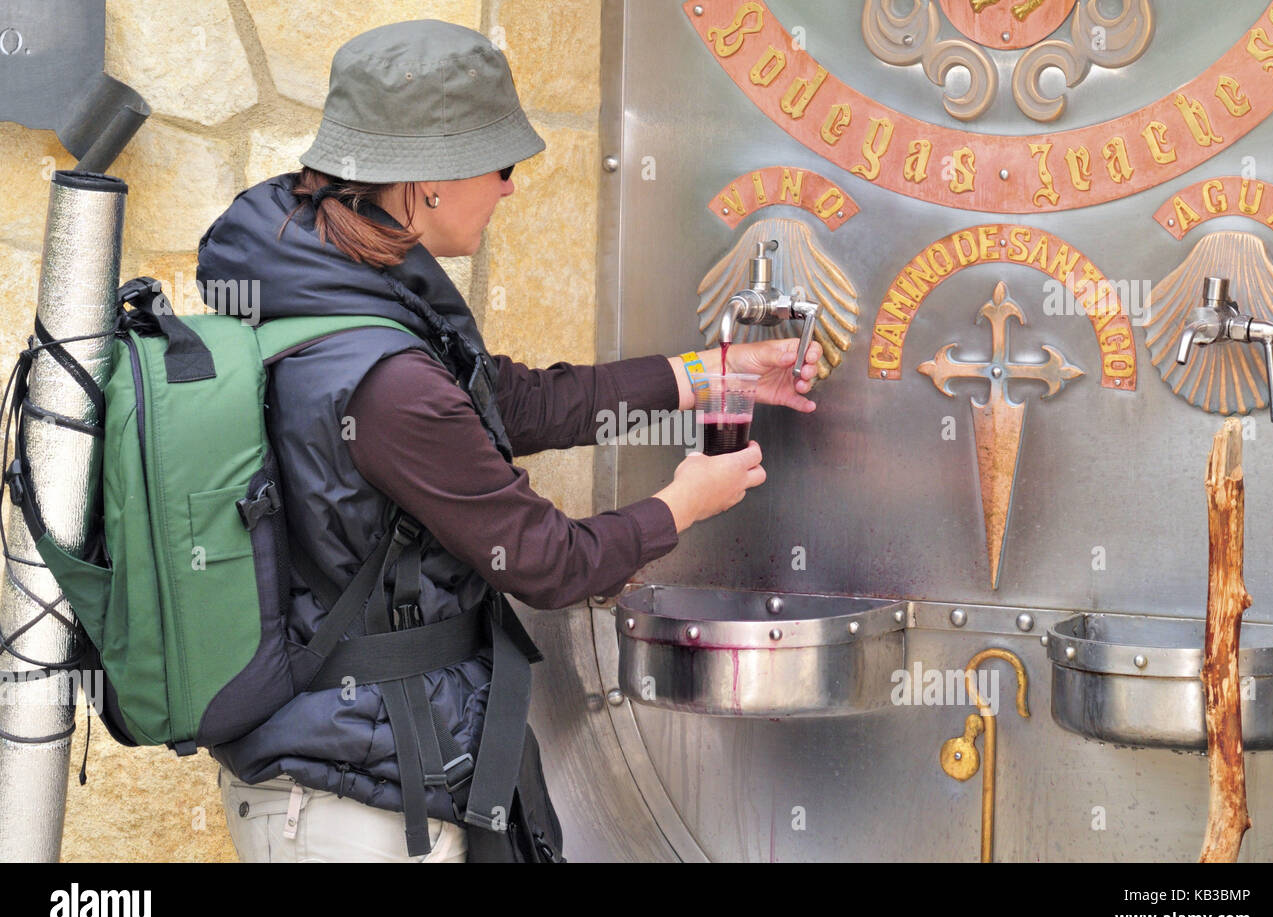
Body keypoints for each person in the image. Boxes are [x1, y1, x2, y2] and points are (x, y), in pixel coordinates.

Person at [195, 19, 822, 863]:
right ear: (427, 183)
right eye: (501, 166)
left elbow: (511, 403)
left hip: (357, 772)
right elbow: (545, 560)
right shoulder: (382, 377)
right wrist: (681, 505)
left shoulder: (323, 276)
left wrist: (714, 375)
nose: (511, 189)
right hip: (357, 806)